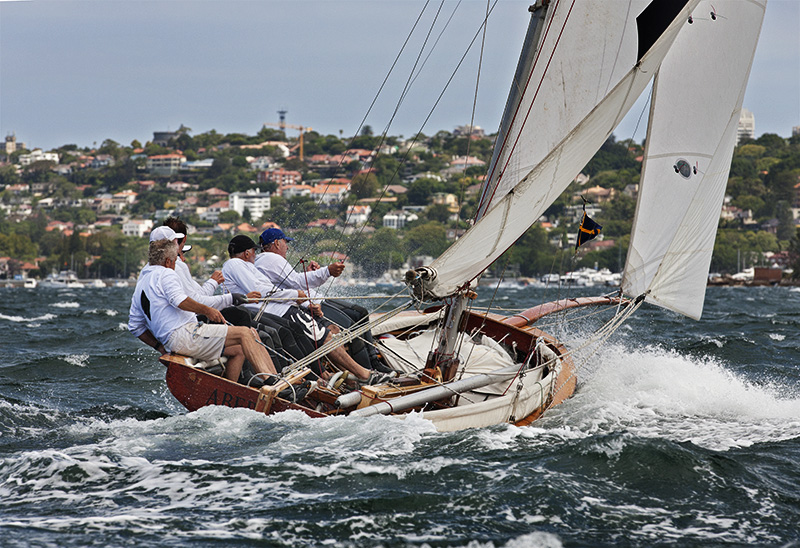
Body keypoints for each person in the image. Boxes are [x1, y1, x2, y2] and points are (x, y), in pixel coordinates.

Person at [222, 234, 389, 385]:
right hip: (276, 310)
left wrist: (301, 300)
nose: (255, 255)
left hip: (278, 309)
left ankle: (323, 378)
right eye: (253, 251)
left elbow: (275, 287)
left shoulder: (249, 266)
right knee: (324, 335)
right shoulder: (237, 263)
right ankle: (364, 374)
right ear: (246, 253)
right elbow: (263, 290)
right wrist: (299, 293)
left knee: (308, 335)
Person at [128, 233, 278, 385]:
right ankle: (271, 382)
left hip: (174, 340)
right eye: (175, 261)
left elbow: (135, 326)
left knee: (240, 347)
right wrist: (208, 311)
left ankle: (231, 393)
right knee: (245, 333)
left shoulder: (142, 282)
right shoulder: (166, 273)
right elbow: (179, 300)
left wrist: (159, 346)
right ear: (168, 261)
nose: (175, 265)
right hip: (185, 336)